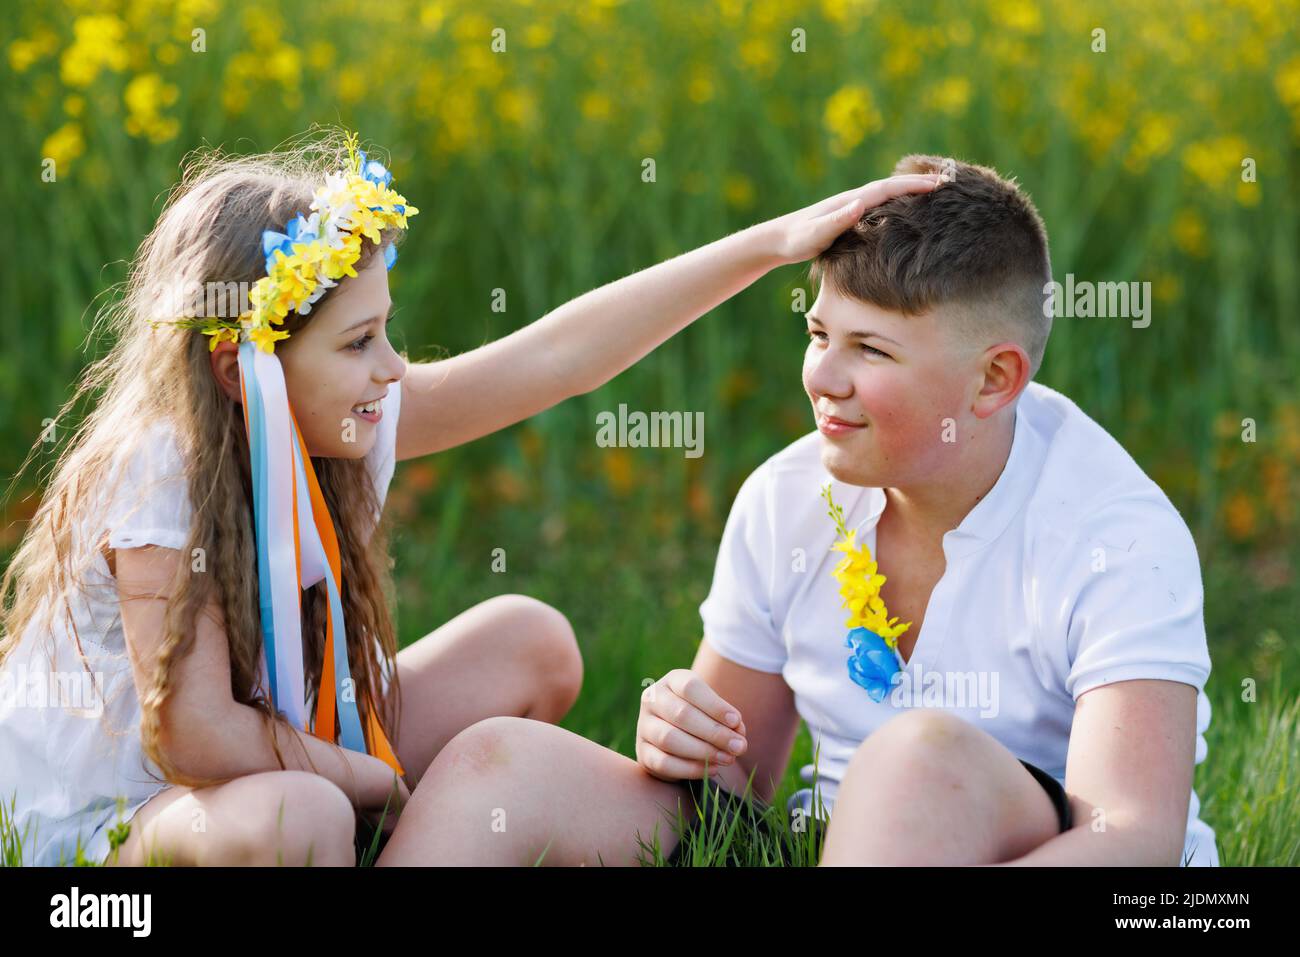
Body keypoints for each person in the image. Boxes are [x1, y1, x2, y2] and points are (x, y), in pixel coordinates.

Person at [0, 126, 941, 866]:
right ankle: (361, 830)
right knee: (303, 812)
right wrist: (368, 776)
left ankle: (413, 841)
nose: (393, 365)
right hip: (116, 818)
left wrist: (775, 245)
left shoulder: (336, 419)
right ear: (243, 373)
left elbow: (558, 359)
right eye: (360, 341)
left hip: (269, 750)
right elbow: (193, 734)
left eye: (386, 329)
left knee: (529, 637)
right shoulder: (158, 470)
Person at [379, 154, 1217, 868]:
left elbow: (1133, 837)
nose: (822, 377)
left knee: (912, 760)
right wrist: (682, 731)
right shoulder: (789, 497)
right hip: (829, 845)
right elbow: (731, 786)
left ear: (994, 380)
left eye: (871, 350)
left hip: (1037, 848)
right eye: (820, 335)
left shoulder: (1116, 535)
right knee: (498, 761)